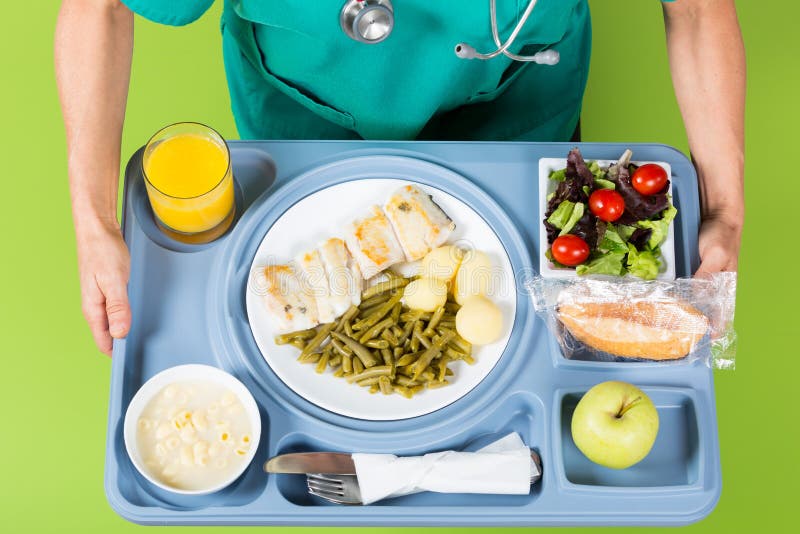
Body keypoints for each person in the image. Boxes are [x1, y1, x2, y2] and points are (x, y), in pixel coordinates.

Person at [55, 0, 745, 355]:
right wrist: (93, 220)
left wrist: (725, 206)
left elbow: (694, 8)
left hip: (515, 113)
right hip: (303, 120)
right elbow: (102, 7)